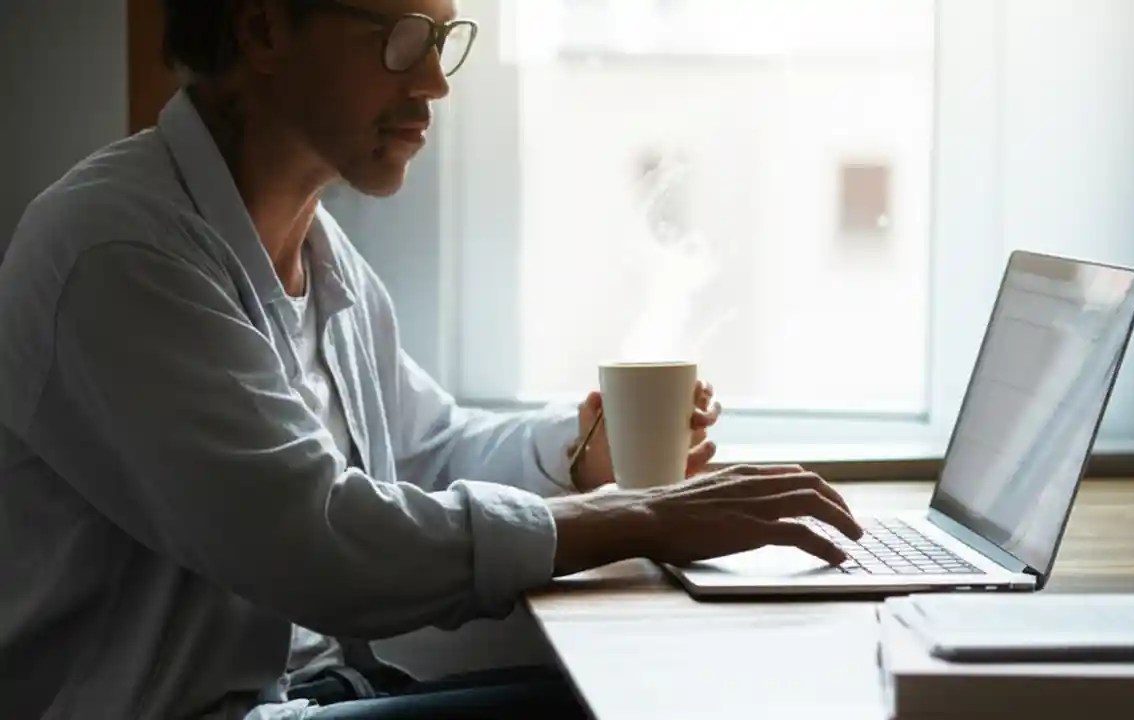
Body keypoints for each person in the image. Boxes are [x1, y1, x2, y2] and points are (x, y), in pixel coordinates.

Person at [0, 1, 863, 718]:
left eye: (444, 40)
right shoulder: (120, 250)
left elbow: (420, 452)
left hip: (316, 694)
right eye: (402, 37)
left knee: (628, 688)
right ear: (263, 29)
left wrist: (574, 455)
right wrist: (643, 516)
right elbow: (320, 543)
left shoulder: (322, 257)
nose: (435, 82)